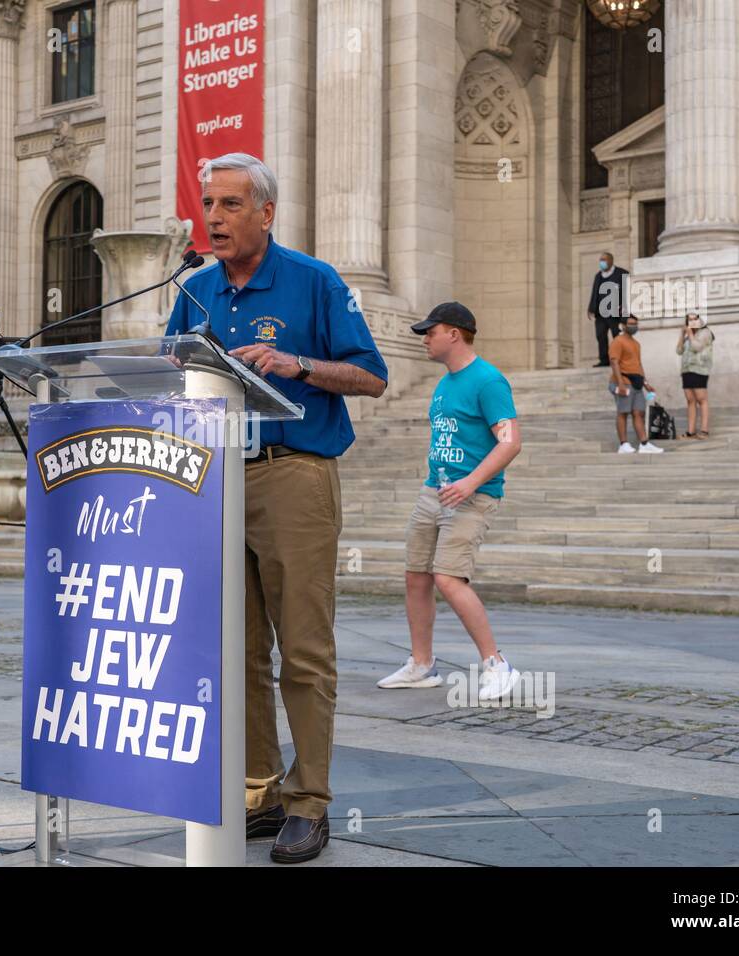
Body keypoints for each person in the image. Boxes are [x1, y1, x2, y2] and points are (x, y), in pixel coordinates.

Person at [164, 152, 388, 863]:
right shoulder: (195, 289)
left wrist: (299, 366)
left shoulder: (314, 282)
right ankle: (258, 792)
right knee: (233, 650)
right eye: (208, 204)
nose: (214, 218)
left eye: (230, 205)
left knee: (304, 649)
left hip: (292, 474)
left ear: (266, 212)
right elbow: (171, 363)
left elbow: (373, 376)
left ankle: (309, 801)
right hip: (213, 475)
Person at [377, 302, 523, 702]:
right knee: (416, 575)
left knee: (448, 578)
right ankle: (422, 665)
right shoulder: (444, 383)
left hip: (472, 496)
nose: (425, 339)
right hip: (434, 491)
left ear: (454, 334)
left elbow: (510, 441)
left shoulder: (488, 380)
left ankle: (497, 664)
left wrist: (471, 482)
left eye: (431, 331)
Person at [609, 317, 663, 454]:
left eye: (636, 324)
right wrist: (620, 383)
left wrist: (646, 384)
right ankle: (623, 444)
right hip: (623, 383)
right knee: (623, 413)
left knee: (638, 412)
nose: (634, 326)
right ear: (623, 325)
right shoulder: (618, 341)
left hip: (637, 384)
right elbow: (614, 362)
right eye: (631, 324)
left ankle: (644, 444)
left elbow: (638, 365)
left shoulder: (636, 344)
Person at [675, 312, 714, 439]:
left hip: (699, 370)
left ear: (699, 319)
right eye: (689, 320)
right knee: (690, 401)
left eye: (695, 319)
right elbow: (679, 351)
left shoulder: (705, 333)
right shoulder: (688, 336)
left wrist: (690, 334)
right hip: (686, 370)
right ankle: (691, 432)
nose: (692, 322)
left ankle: (704, 430)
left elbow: (697, 347)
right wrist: (682, 334)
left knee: (701, 400)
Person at [588, 252, 629, 367]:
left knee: (617, 336)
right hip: (601, 313)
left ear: (611, 261)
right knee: (600, 335)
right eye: (601, 260)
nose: (602, 263)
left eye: (604, 260)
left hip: (616, 312)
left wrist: (624, 310)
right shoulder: (598, 276)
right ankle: (604, 360)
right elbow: (595, 293)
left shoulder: (622, 273)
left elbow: (627, 293)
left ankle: (621, 359)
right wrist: (591, 308)